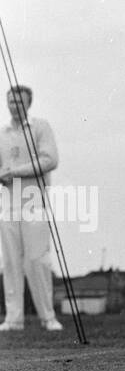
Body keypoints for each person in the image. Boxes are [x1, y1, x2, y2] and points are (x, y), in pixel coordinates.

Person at [0, 85, 63, 332]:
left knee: (37, 260)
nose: (14, 106)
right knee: (12, 261)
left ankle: (48, 317)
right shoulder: (2, 133)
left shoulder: (40, 127)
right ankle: (14, 319)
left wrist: (15, 172)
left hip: (34, 202)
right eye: (11, 101)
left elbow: (50, 160)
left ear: (29, 103)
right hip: (8, 203)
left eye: (19, 102)